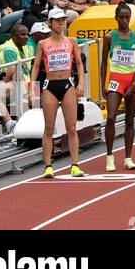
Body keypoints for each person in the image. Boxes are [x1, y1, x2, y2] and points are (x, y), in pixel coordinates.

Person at [28, 10, 85, 178]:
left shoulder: (71, 41)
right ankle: (48, 166)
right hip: (50, 85)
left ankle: (75, 165)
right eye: (58, 20)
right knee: (48, 128)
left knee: (72, 127)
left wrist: (80, 83)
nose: (61, 23)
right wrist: (32, 89)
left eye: (63, 20)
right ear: (50, 23)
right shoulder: (43, 44)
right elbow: (36, 67)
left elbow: (80, 65)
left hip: (67, 84)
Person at [101, 2, 135, 171]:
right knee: (111, 116)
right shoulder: (109, 37)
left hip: (132, 81)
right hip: (115, 80)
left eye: (127, 17)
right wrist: (103, 85)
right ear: (116, 18)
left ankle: (128, 158)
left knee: (130, 120)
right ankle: (110, 157)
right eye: (121, 17)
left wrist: (133, 84)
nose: (125, 20)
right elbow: (104, 63)